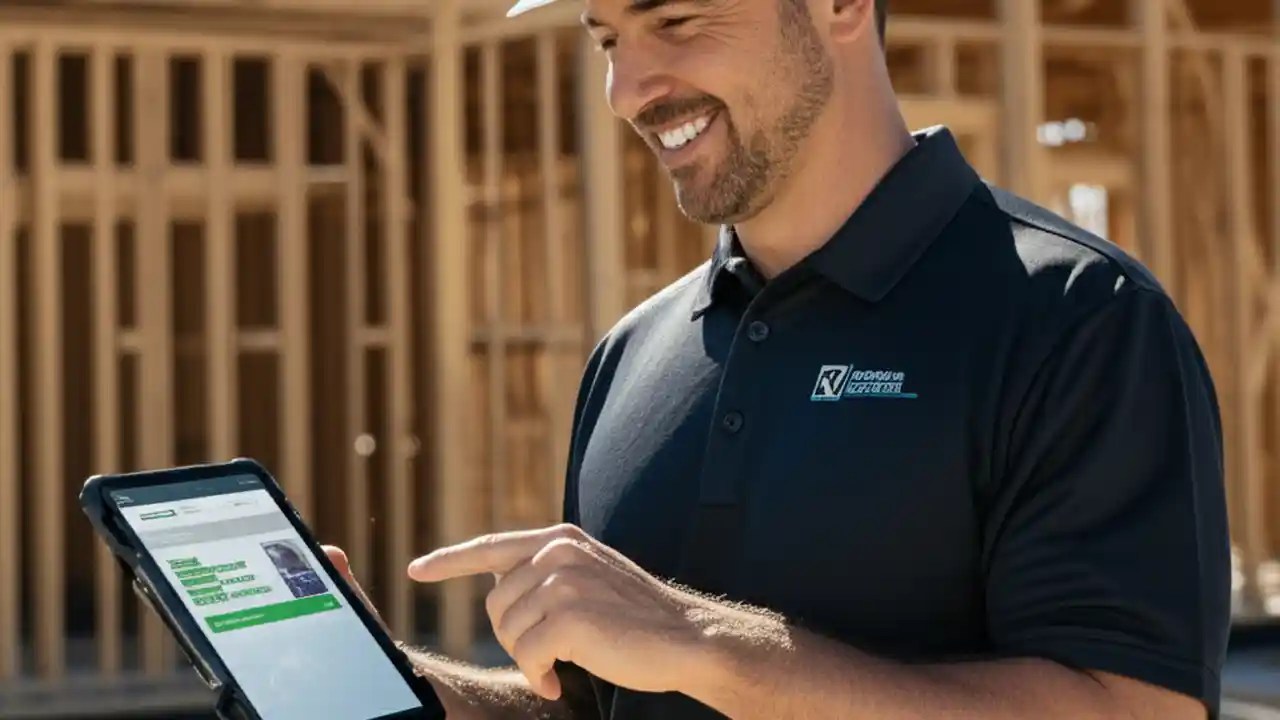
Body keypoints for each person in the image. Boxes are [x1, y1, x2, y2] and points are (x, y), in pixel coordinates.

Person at [326, 0, 1231, 717]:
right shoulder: (630, 355)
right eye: (607, 40)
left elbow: (1132, 711)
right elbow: (606, 709)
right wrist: (400, 690)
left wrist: (713, 648)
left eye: (675, 21)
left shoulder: (1077, 320)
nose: (629, 89)